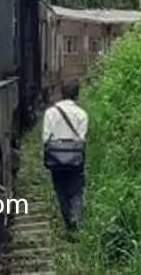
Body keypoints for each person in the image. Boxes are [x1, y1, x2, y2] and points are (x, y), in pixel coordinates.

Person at [41, 79, 88, 232]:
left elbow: (45, 138)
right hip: (75, 159)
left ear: (62, 93)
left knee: (60, 189)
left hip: (56, 158)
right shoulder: (82, 114)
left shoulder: (50, 112)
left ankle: (67, 221)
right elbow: (81, 139)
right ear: (77, 95)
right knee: (76, 189)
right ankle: (75, 216)